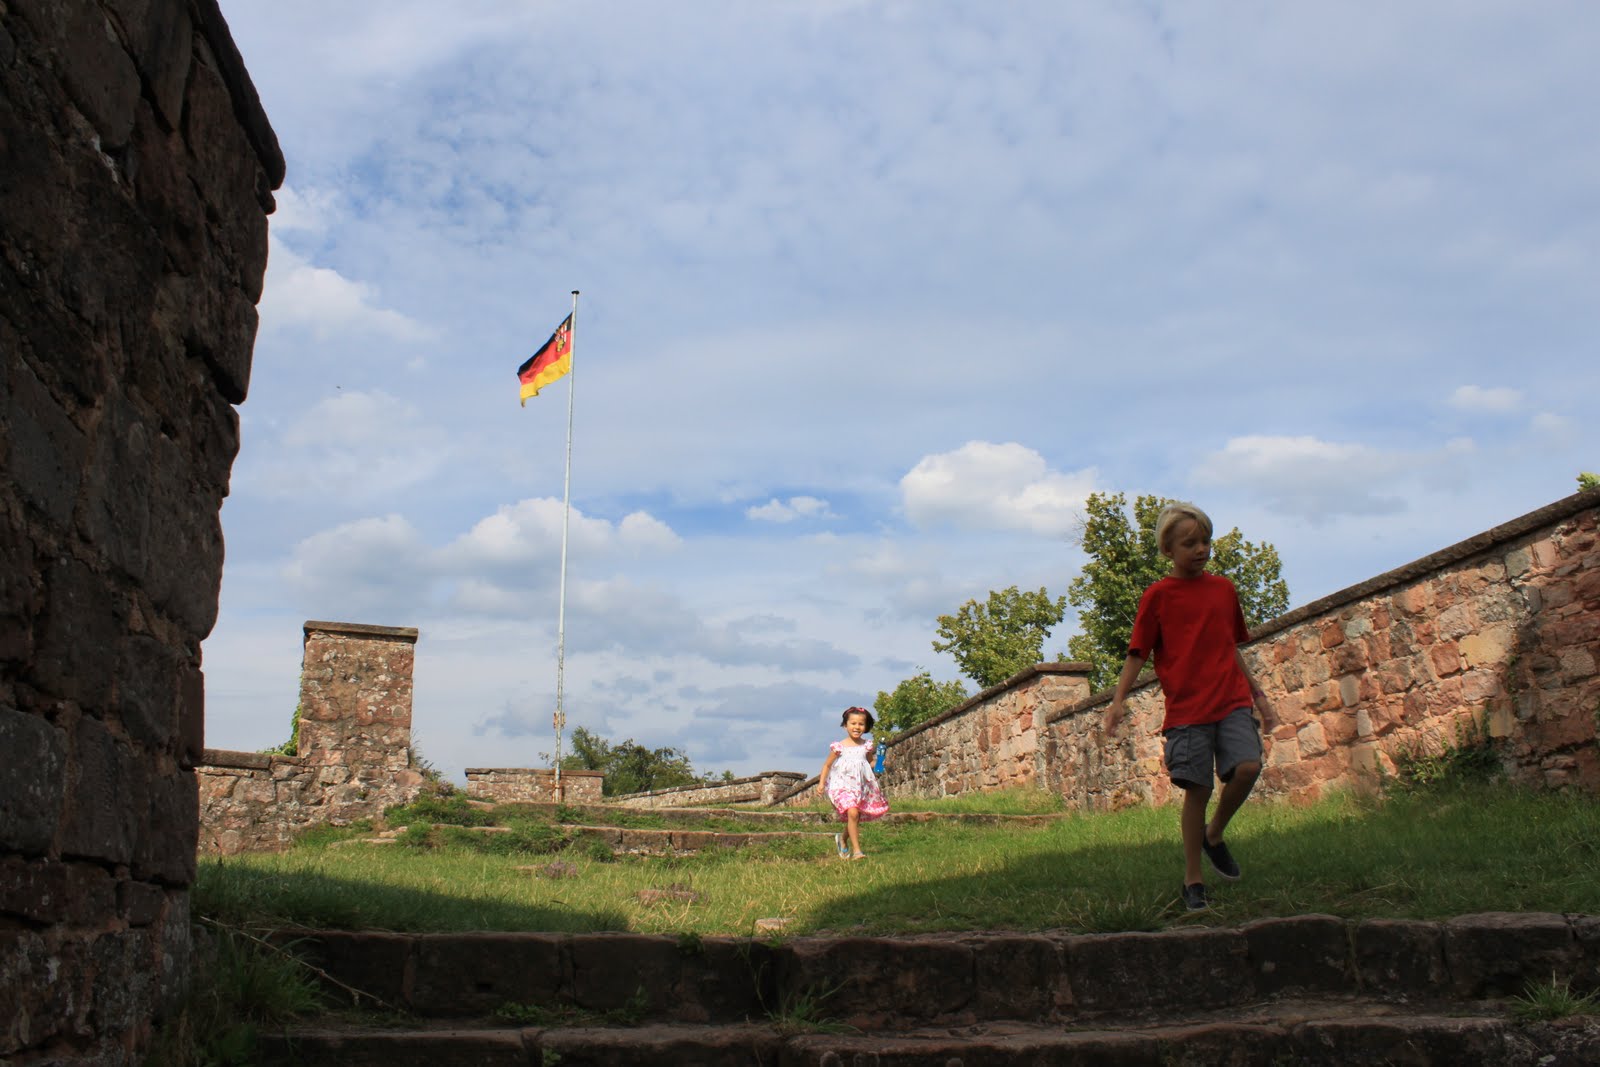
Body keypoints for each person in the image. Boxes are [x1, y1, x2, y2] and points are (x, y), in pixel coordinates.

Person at [1104, 502, 1276, 911]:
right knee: (1197, 790)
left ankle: (1214, 834)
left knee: (1248, 767)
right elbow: (1137, 653)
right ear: (1168, 550)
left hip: (1231, 699)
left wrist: (1259, 695)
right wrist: (1117, 700)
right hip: (1187, 710)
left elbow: (1230, 646)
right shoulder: (1158, 596)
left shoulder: (1224, 590)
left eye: (1205, 542)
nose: (1200, 550)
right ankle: (1193, 880)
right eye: (1189, 544)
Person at [818, 706, 890, 859]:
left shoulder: (866, 746)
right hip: (841, 786)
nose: (857, 727)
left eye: (861, 724)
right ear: (845, 725)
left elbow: (870, 763)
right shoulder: (839, 747)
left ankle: (842, 839)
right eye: (853, 723)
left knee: (855, 815)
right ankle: (857, 851)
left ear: (866, 726)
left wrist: (879, 764)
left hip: (859, 787)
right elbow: (827, 765)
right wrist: (821, 783)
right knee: (852, 812)